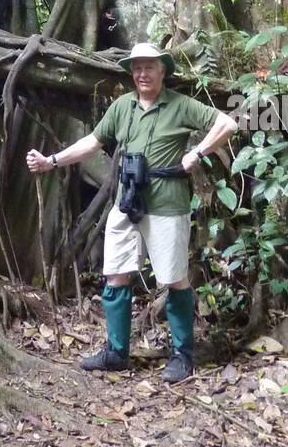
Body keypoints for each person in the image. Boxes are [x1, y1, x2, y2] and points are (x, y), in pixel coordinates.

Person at [26, 42, 236, 382]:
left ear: (163, 70)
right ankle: (116, 352)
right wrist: (51, 161)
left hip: (168, 202)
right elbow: (92, 143)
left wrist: (197, 153)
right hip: (127, 201)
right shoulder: (123, 107)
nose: (142, 73)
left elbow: (227, 124)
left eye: (149, 66)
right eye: (136, 67)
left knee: (174, 279)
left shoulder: (181, 106)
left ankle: (182, 356)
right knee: (116, 274)